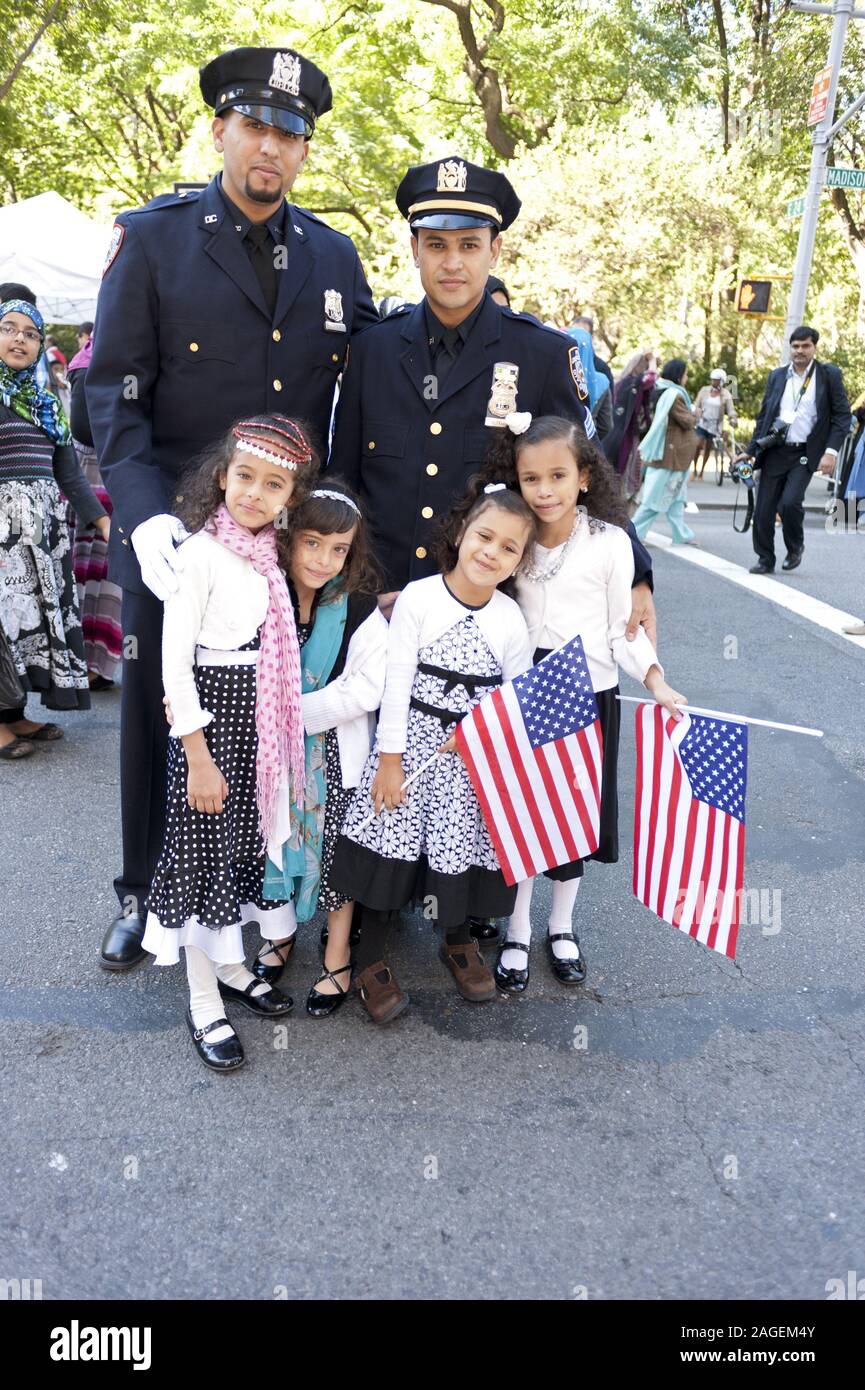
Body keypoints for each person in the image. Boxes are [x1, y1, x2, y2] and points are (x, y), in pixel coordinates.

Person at [87, 45, 378, 972]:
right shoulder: (156, 238)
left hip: (283, 544)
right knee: (158, 708)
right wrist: (141, 516)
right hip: (176, 531)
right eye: (253, 124)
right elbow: (114, 395)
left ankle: (256, 880)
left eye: (289, 134)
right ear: (220, 130)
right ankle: (145, 889)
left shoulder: (334, 257)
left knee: (267, 711)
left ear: (303, 152)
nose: (270, 146)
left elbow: (369, 390)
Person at [461, 415, 685, 992]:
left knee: (573, 817)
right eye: (530, 478)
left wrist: (656, 680)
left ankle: (561, 926)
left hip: (590, 693)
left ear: (583, 477)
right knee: (524, 812)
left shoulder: (610, 545)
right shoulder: (516, 535)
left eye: (557, 475)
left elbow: (622, 630)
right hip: (526, 686)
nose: (544, 490)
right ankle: (515, 926)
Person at [142, 414, 316, 1071]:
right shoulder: (199, 555)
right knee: (199, 861)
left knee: (241, 854)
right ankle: (203, 1000)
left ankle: (234, 967)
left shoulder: (270, 557)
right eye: (244, 476)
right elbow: (173, 665)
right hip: (210, 731)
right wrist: (198, 759)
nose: (254, 492)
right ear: (222, 477)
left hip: (258, 730)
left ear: (286, 498)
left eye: (272, 484)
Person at [328, 485, 535, 1022]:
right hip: (412, 743)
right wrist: (391, 760)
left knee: (459, 846)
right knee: (389, 844)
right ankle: (369, 954)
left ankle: (457, 937)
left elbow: (513, 701)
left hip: (470, 757)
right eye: (484, 536)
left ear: (518, 559)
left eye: (509, 548)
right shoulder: (418, 598)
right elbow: (397, 686)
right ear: (461, 532)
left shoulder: (511, 619)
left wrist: (483, 739)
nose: (492, 553)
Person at [257, 482, 388, 1017]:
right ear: (288, 539)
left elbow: (366, 687)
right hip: (272, 755)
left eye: (339, 549)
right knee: (274, 839)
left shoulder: (358, 607)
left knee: (335, 855)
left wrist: (294, 716)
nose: (324, 559)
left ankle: (337, 954)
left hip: (337, 755)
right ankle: (279, 934)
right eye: (312, 543)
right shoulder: (265, 594)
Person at [0, 297, 109, 759]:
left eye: (30, 333)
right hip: (3, 535)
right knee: (4, 626)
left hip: (43, 534)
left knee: (34, 628)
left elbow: (68, 474)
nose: (19, 339)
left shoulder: (46, 403)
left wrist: (104, 523)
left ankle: (14, 713)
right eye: (8, 328)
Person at [737, 326, 851, 575]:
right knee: (764, 508)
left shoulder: (828, 375)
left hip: (805, 453)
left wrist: (830, 451)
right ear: (790, 348)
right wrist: (751, 450)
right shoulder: (777, 376)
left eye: (805, 346)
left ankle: (795, 547)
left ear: (814, 347)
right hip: (775, 452)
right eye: (795, 346)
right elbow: (765, 417)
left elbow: (842, 416)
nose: (800, 351)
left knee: (789, 503)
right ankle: (765, 558)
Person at [67, 325, 122, 690]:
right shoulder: (90, 366)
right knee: (90, 575)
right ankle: (85, 662)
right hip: (96, 476)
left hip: (110, 475)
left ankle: (96, 662)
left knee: (102, 576)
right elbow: (85, 429)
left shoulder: (92, 361)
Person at [631, 358, 699, 545]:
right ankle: (633, 533)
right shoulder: (673, 395)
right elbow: (687, 421)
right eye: (685, 374)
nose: (686, 378)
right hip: (669, 456)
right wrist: (695, 414)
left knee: (677, 498)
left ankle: (681, 535)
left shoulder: (661, 390)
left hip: (673, 457)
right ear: (679, 375)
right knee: (653, 499)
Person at [601, 351, 654, 507]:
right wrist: (652, 362)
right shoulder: (632, 383)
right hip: (625, 434)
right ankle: (617, 502)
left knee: (622, 468)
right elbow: (651, 379)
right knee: (622, 468)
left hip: (620, 433)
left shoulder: (624, 382)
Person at [566, 324, 612, 440]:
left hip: (553, 442)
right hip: (586, 442)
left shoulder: (556, 377)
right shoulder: (602, 381)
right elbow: (606, 426)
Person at [692, 368, 737, 478]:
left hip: (716, 426)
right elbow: (696, 404)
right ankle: (694, 469)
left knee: (708, 447)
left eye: (716, 380)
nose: (714, 382)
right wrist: (695, 411)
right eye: (713, 380)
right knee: (698, 444)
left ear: (721, 381)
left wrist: (733, 418)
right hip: (703, 422)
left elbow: (731, 409)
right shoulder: (704, 390)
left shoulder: (725, 394)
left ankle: (702, 471)